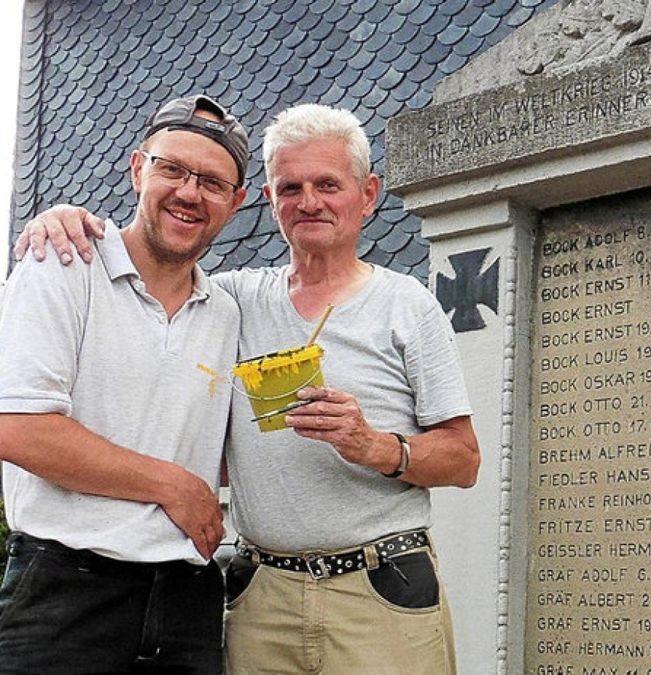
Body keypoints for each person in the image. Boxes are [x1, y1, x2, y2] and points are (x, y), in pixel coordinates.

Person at [17, 104, 482, 674]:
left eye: (327, 185)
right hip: (258, 597)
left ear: (368, 194)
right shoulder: (231, 299)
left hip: (379, 590)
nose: (309, 201)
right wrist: (59, 217)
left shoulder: (407, 304)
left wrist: (376, 446)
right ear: (265, 201)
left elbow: (464, 459)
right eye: (291, 187)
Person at [0, 94, 249, 673]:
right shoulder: (60, 264)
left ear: (236, 203)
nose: (189, 193)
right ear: (138, 167)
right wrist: (173, 486)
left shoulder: (227, 313)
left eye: (212, 183)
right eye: (172, 169)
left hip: (188, 603)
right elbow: (17, 428)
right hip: (65, 593)